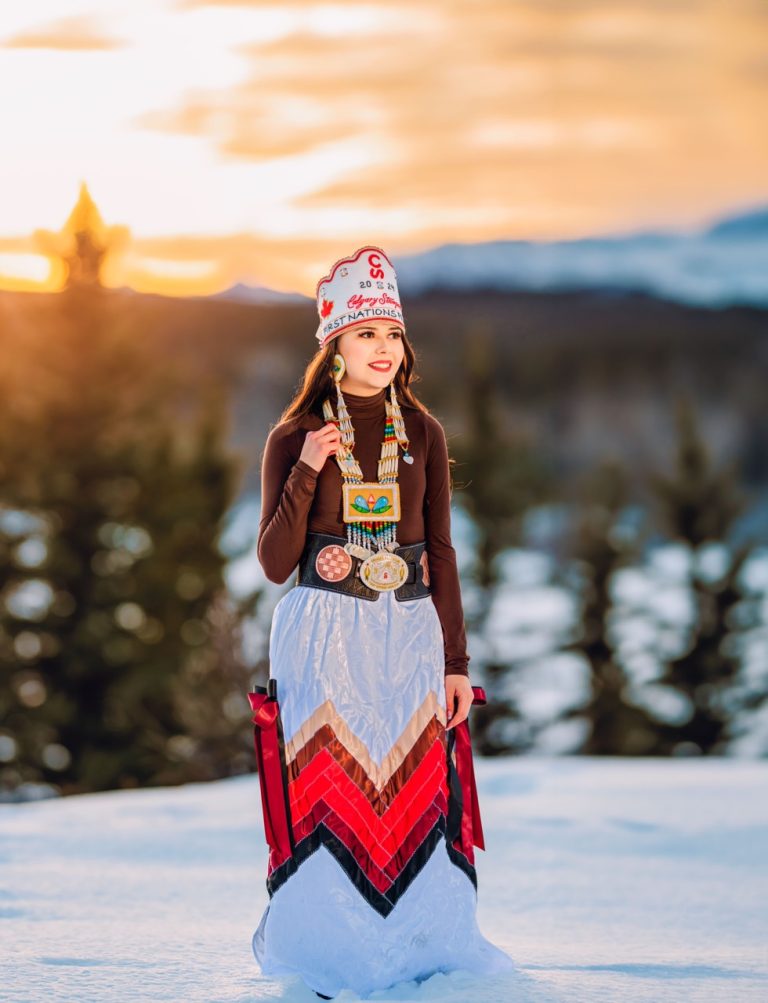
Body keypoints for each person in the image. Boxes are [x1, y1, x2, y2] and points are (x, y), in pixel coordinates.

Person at [248, 246, 514, 998]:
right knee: (330, 793)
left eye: (393, 334)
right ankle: (330, 957)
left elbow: (442, 550)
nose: (384, 348)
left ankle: (420, 953)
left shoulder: (423, 433)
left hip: (409, 629)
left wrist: (456, 663)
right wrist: (309, 467)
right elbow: (274, 561)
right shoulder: (293, 436)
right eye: (366, 333)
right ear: (334, 343)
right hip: (322, 630)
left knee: (414, 791)